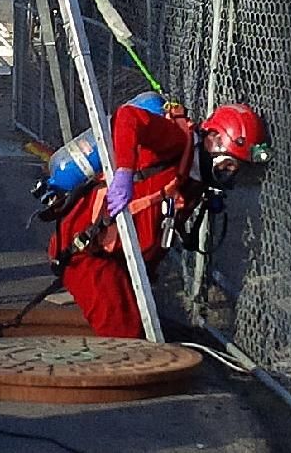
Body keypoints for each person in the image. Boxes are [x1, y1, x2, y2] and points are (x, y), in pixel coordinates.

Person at [48, 101, 272, 338]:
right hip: (86, 252)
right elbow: (128, 117)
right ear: (214, 140)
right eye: (227, 166)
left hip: (119, 261)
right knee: (122, 333)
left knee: (139, 328)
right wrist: (124, 171)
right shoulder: (176, 140)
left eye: (234, 170)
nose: (228, 176)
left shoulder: (195, 180)